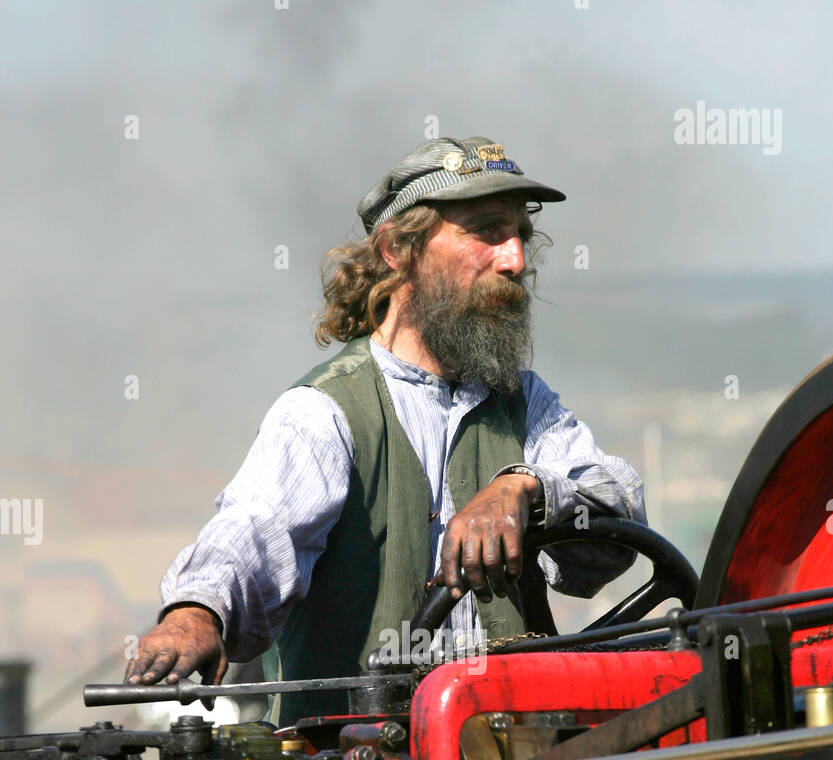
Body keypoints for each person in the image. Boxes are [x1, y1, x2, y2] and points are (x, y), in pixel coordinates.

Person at [124, 135, 646, 724]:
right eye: (487, 232)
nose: (515, 261)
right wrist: (198, 612)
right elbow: (256, 527)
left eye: (520, 234)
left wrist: (523, 487)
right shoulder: (325, 411)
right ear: (399, 248)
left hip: (519, 759)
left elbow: (618, 503)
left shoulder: (525, 403)